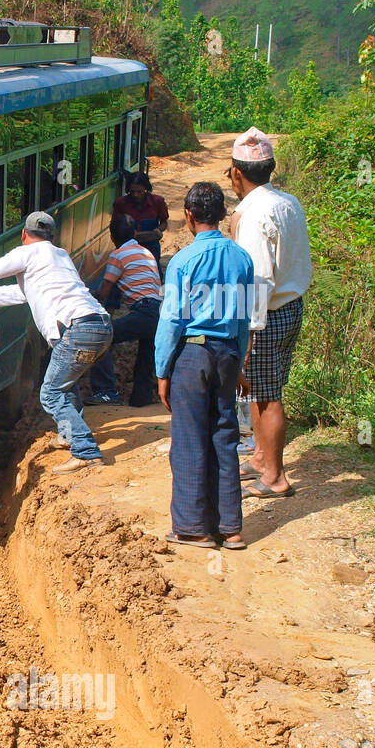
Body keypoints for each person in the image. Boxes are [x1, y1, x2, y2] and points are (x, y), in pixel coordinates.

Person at [0, 211, 112, 473]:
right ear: (53, 236)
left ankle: (85, 450)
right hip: (99, 326)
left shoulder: (27, 253)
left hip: (77, 329)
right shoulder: (59, 256)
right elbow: (20, 293)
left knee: (51, 393)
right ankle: (70, 435)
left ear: (24, 234)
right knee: (66, 384)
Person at [154, 181, 254, 549]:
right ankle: (231, 529)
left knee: (189, 439)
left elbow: (172, 321)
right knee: (224, 437)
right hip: (228, 352)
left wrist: (162, 370)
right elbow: (244, 318)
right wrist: (238, 362)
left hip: (192, 354)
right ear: (223, 215)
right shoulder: (242, 259)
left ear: (189, 215)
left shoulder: (183, 260)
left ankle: (193, 528)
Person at [228, 127, 313, 498]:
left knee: (266, 395)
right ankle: (261, 459)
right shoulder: (288, 202)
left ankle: (275, 477)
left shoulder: (254, 215)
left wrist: (247, 337)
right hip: (291, 306)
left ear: (236, 173)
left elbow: (258, 280)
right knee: (266, 390)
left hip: (265, 316)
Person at [87, 212, 164, 407]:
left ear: (112, 237)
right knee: (146, 356)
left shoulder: (118, 255)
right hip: (159, 312)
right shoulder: (147, 253)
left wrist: (84, 293)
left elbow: (103, 293)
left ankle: (106, 391)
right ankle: (141, 399)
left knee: (101, 338)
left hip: (144, 311)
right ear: (136, 233)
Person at [113, 171, 169, 263]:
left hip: (151, 249)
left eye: (139, 192)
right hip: (128, 251)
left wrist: (159, 230)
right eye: (132, 192)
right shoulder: (120, 204)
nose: (136, 195)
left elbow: (164, 221)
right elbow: (115, 228)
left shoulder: (157, 202)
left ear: (146, 189)